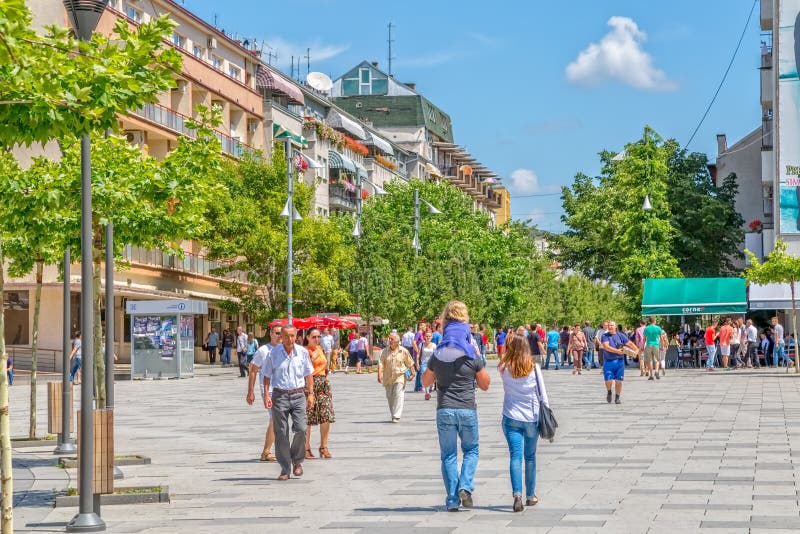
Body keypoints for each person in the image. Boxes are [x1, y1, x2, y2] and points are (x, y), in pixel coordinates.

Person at [422, 300, 490, 512]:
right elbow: (485, 385)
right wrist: (478, 360)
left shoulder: (438, 354)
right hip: (467, 408)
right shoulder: (471, 354)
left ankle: (452, 499)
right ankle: (465, 486)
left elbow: (425, 381)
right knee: (471, 450)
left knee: (448, 455)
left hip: (444, 409)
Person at [498, 333, 549, 512]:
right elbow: (543, 395)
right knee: (530, 456)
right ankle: (531, 496)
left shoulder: (503, 368)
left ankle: (517, 495)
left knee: (515, 456)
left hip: (511, 416)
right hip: (531, 418)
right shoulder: (534, 368)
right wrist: (547, 416)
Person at [262, 325, 314, 481]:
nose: (289, 339)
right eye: (286, 336)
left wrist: (311, 394)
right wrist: (267, 395)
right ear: (281, 337)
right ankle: (285, 468)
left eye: (292, 336)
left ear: (296, 336)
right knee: (281, 432)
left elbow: (308, 374)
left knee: (301, 428)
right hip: (280, 396)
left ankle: (297, 460)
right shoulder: (273, 353)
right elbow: (266, 375)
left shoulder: (302, 352)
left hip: (298, 395)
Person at [247, 325, 281, 462]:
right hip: (268, 389)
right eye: (277, 333)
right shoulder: (263, 350)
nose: (279, 335)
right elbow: (253, 370)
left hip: (282, 388)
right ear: (271, 334)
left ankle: (269, 451)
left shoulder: (285, 349)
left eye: (281, 333)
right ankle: (266, 451)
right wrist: (250, 392)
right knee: (275, 418)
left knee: (277, 420)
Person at [304, 328, 335, 460]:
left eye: (318, 337)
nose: (317, 339)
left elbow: (324, 366)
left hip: (322, 383)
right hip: (309, 383)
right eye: (314, 337)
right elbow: (305, 369)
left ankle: (323, 446)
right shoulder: (304, 351)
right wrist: (313, 358)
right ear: (307, 337)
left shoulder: (320, 349)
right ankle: (306, 448)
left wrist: (326, 377)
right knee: (308, 417)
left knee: (326, 414)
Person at [378, 332, 415, 422]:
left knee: (398, 394)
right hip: (388, 377)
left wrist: (412, 373)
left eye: (392, 339)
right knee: (390, 396)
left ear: (397, 341)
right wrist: (379, 374)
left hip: (400, 376)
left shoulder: (403, 351)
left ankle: (396, 415)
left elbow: (410, 363)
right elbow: (381, 363)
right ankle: (393, 413)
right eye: (389, 339)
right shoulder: (384, 351)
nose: (389, 340)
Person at [601, 321, 639, 404]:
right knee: (608, 380)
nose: (610, 327)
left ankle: (617, 397)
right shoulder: (605, 336)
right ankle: (609, 391)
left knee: (619, 381)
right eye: (609, 325)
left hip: (619, 362)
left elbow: (629, 343)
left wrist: (636, 349)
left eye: (612, 325)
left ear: (615, 327)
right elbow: (606, 347)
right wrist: (617, 351)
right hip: (608, 361)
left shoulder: (620, 335)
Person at [420, 331, 437, 400]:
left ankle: (430, 388)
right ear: (424, 337)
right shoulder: (421, 344)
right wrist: (417, 363)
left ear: (431, 337)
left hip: (432, 363)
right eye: (427, 336)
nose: (428, 337)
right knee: (424, 376)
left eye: (429, 336)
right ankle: (427, 392)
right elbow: (418, 354)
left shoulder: (434, 345)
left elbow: (436, 355)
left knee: (432, 377)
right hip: (424, 363)